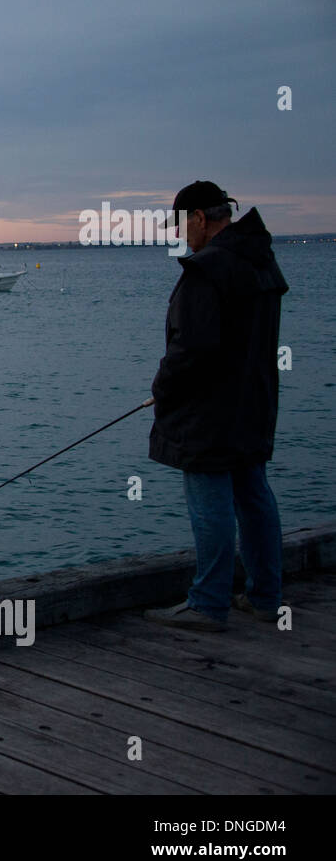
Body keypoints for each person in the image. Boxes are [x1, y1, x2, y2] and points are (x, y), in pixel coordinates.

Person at [143, 181, 289, 631]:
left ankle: (208, 603)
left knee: (211, 504)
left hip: (207, 413)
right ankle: (265, 597)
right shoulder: (261, 261)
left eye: (182, 225)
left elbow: (191, 349)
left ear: (201, 219)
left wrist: (162, 387)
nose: (179, 235)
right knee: (254, 496)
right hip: (254, 402)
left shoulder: (207, 270)